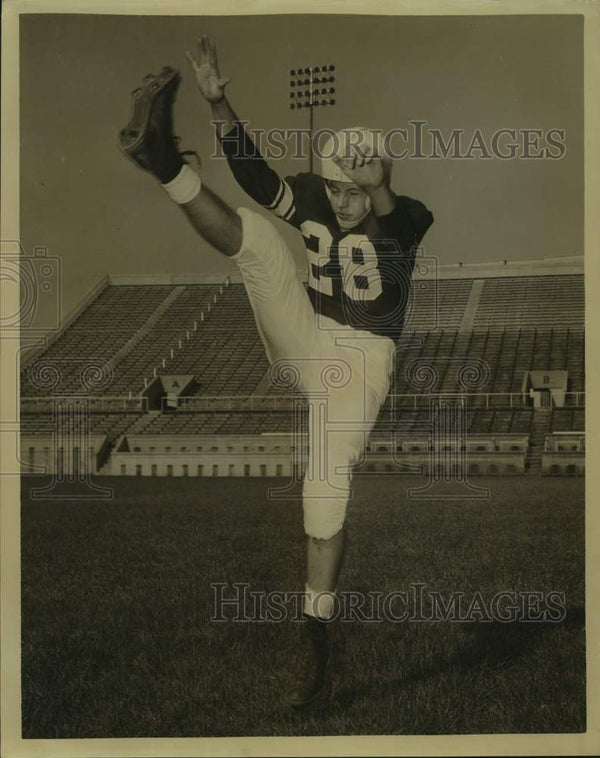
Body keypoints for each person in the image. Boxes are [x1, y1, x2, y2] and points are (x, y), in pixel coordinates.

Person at [119, 38, 433, 707]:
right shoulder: (319, 193)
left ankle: (316, 646)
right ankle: (165, 164)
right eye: (339, 188)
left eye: (360, 189)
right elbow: (256, 176)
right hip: (310, 335)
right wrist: (217, 99)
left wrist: (377, 185)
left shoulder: (402, 215)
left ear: (379, 179)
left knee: (322, 495)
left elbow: (393, 217)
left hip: (363, 359)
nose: (344, 202)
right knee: (260, 240)